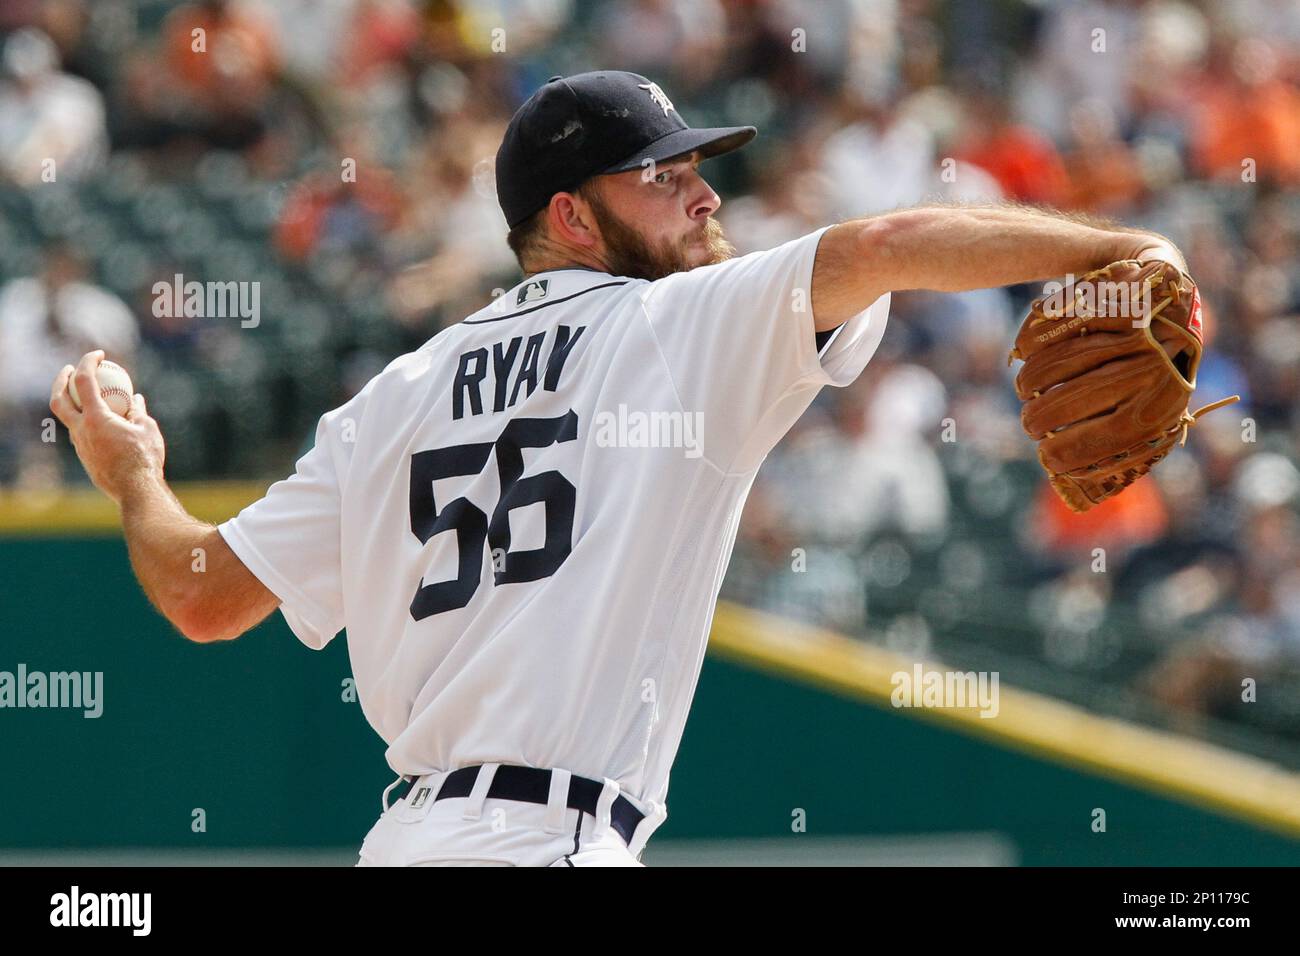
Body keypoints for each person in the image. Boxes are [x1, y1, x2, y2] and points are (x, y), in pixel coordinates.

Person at [50, 70, 1192, 866]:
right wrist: (1116, 247)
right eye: (661, 174)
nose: (702, 190)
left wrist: (134, 476)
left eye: (697, 164)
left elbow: (200, 593)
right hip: (551, 844)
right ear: (573, 217)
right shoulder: (677, 326)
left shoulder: (390, 400)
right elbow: (881, 249)